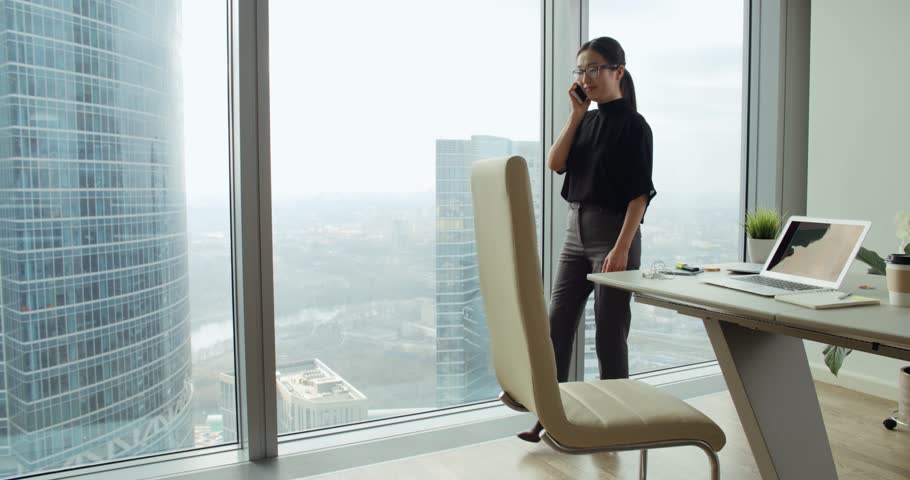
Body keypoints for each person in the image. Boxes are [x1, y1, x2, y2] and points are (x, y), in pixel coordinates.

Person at [518, 36, 656, 443]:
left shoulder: (635, 125)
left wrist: (622, 247)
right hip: (574, 234)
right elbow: (555, 162)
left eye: (594, 68)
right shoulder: (587, 121)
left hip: (614, 236)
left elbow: (640, 194)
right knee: (556, 324)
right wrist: (576, 115)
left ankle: (617, 422)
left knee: (610, 334)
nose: (587, 77)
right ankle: (549, 415)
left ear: (619, 71)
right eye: (581, 70)